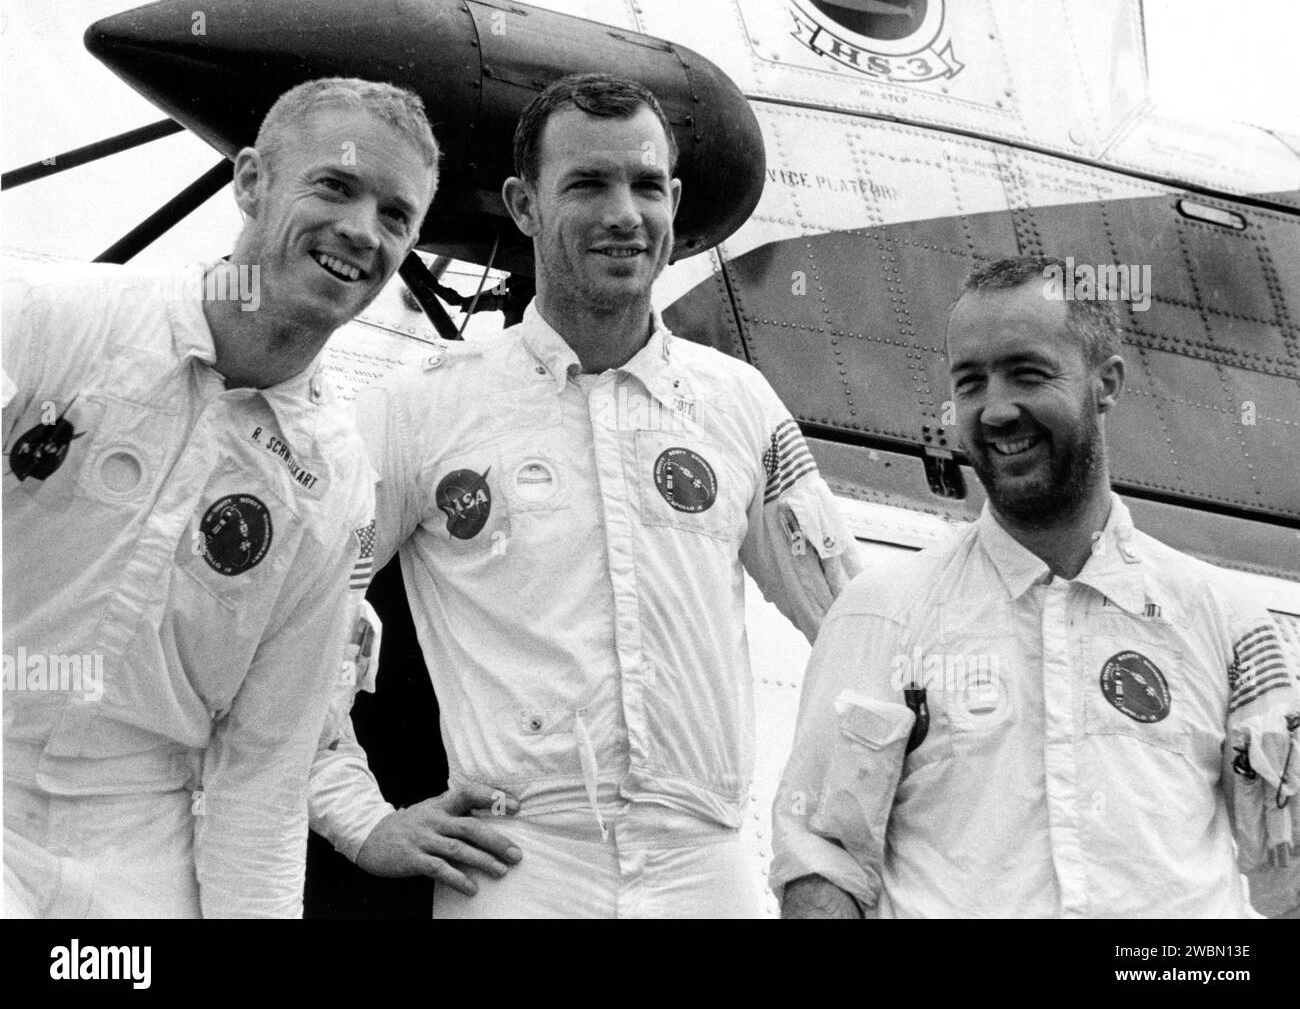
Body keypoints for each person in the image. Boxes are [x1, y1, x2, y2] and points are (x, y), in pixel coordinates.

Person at [309, 72, 862, 918]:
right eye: (588, 184)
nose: (623, 213)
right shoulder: (419, 404)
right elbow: (296, 618)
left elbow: (862, 630)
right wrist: (360, 819)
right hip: (520, 856)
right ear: (524, 204)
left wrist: (824, 855)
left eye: (645, 185)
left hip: (706, 860)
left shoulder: (738, 402)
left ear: (674, 201)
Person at [2, 76, 441, 918]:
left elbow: (265, 767)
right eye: (335, 185)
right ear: (250, 181)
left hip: (133, 844)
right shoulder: (56, 321)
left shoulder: (336, 482)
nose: (360, 230)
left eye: (396, 215)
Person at [771, 255, 1300, 919]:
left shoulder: (1229, 622)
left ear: (1106, 383)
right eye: (971, 383)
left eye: (1027, 373)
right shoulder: (879, 616)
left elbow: (1289, 879)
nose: (995, 410)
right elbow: (824, 866)